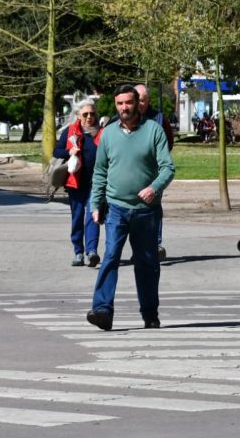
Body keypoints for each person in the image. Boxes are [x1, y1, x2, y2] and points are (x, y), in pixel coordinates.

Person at [86, 85, 175, 331]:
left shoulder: (153, 130)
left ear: (138, 103)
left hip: (146, 210)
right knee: (110, 257)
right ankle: (102, 310)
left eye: (128, 102)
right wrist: (96, 203)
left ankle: (150, 314)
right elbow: (100, 171)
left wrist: (154, 188)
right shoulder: (108, 134)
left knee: (147, 263)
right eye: (120, 103)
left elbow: (168, 168)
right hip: (116, 208)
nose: (124, 107)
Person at [53, 100, 103, 267]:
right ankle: (78, 252)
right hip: (75, 182)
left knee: (93, 216)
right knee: (77, 217)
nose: (89, 117)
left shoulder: (102, 133)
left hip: (96, 183)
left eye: (92, 114)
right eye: (85, 114)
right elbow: (56, 151)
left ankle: (92, 251)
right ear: (78, 116)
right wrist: (70, 151)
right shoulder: (70, 131)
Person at [136, 84, 174, 261]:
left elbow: (169, 141)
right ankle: (138, 247)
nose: (139, 104)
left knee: (153, 206)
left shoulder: (159, 118)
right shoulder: (126, 118)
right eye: (136, 100)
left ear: (148, 100)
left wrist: (160, 157)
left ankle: (155, 244)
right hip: (134, 171)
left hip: (154, 172)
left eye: (142, 100)